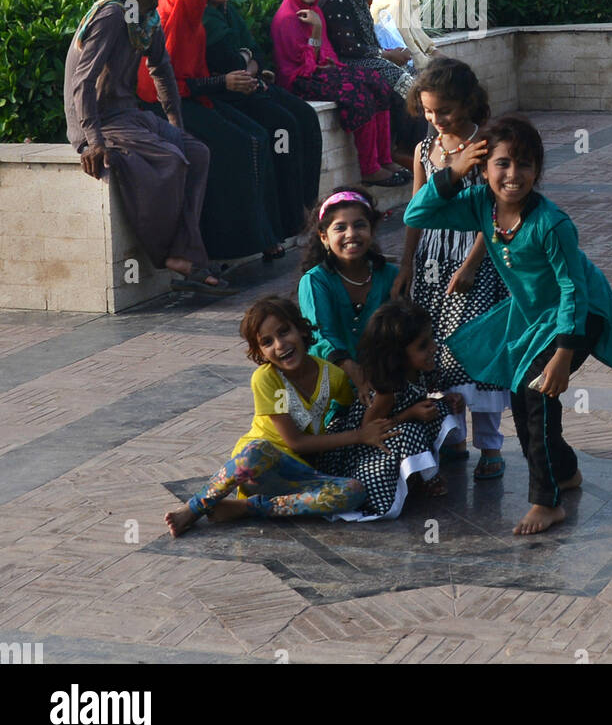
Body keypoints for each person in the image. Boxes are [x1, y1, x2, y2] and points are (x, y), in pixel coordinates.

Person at [404, 114, 612, 536]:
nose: (513, 174)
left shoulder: (552, 224)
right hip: (532, 317)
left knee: (537, 395)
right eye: (502, 163)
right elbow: (417, 213)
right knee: (520, 393)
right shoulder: (479, 206)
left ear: (538, 171)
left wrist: (563, 355)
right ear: (484, 168)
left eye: (524, 164)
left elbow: (573, 293)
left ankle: (547, 502)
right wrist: (454, 170)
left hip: (580, 316)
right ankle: (564, 472)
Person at [163, 296, 394, 535]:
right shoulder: (267, 379)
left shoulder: (333, 376)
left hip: (297, 474)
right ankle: (193, 508)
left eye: (284, 332)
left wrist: (376, 395)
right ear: (260, 352)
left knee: (354, 491)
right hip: (256, 468)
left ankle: (248, 508)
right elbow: (295, 441)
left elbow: (349, 410)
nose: (280, 345)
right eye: (267, 342)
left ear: (302, 330)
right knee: (257, 450)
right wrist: (359, 436)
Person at [64, 0, 215, 288]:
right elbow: (82, 82)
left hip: (128, 114)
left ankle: (186, 250)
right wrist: (94, 141)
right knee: (172, 161)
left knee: (196, 152)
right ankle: (166, 256)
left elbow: (161, 70)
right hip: (99, 119)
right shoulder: (112, 17)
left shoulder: (142, 18)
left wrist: (175, 125)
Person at [393, 59, 510, 481]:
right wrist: (406, 263)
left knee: (476, 350)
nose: (436, 120)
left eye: (444, 111)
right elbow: (416, 211)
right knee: (438, 351)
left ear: (467, 103)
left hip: (475, 260)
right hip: (431, 261)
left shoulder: (488, 148)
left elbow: (495, 213)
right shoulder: (426, 150)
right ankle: (453, 434)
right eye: (427, 111)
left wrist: (472, 264)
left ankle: (491, 445)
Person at [137, 0, 283, 261]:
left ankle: (262, 233)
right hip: (162, 106)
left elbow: (200, 74)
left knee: (257, 136)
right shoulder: (162, 25)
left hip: (195, 97)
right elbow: (161, 86)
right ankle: (228, 242)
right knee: (237, 145)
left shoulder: (195, 26)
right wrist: (224, 81)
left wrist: (234, 80)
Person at [196, 0, 322, 237]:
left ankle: (307, 203)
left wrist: (250, 64)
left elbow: (255, 54)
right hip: (225, 94)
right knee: (283, 127)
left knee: (305, 116)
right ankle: (291, 217)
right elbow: (231, 61)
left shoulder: (230, 12)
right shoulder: (205, 16)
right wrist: (248, 63)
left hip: (254, 85)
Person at [271, 0, 406, 187]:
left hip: (319, 72)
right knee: (358, 94)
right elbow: (304, 65)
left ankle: (384, 158)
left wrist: (329, 62)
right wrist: (316, 30)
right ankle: (369, 168)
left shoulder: (315, 12)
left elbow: (324, 55)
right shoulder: (286, 19)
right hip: (298, 80)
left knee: (377, 82)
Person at [323, 301, 462, 518]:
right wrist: (410, 414)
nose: (433, 348)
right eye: (423, 346)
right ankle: (425, 477)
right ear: (398, 355)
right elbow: (369, 430)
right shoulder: (386, 391)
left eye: (431, 340)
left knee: (438, 409)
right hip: (365, 451)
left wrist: (447, 398)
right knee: (410, 431)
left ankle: (417, 474)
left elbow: (428, 394)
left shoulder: (419, 370)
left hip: (391, 432)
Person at [319, 0, 426, 155]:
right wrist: (385, 54)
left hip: (367, 56)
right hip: (348, 61)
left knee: (415, 78)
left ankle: (415, 149)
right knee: (404, 84)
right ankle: (403, 151)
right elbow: (347, 47)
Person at [298, 188, 399, 401]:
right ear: (324, 237)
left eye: (360, 225)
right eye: (340, 228)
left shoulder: (390, 275)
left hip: (386, 386)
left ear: (372, 230)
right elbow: (322, 335)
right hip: (333, 391)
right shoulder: (315, 280)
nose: (351, 234)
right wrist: (357, 376)